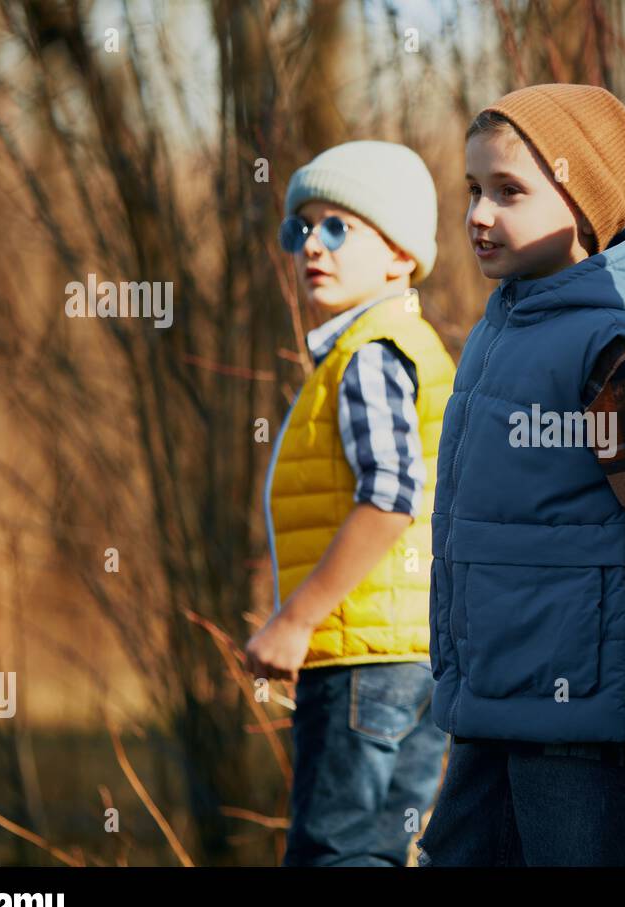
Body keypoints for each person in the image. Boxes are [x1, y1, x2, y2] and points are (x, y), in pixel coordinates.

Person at [416, 84, 625, 866]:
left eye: (509, 191)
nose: (478, 214)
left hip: (582, 723)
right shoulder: (504, 325)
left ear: (586, 202)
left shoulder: (614, 340)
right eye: (473, 189)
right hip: (493, 707)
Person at [246, 141, 455, 866]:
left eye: (339, 227)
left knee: (332, 853)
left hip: (365, 659)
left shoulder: (371, 352)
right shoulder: (405, 343)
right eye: (300, 228)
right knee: (372, 853)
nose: (312, 245)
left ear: (401, 255)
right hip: (413, 655)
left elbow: (392, 495)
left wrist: (296, 620)